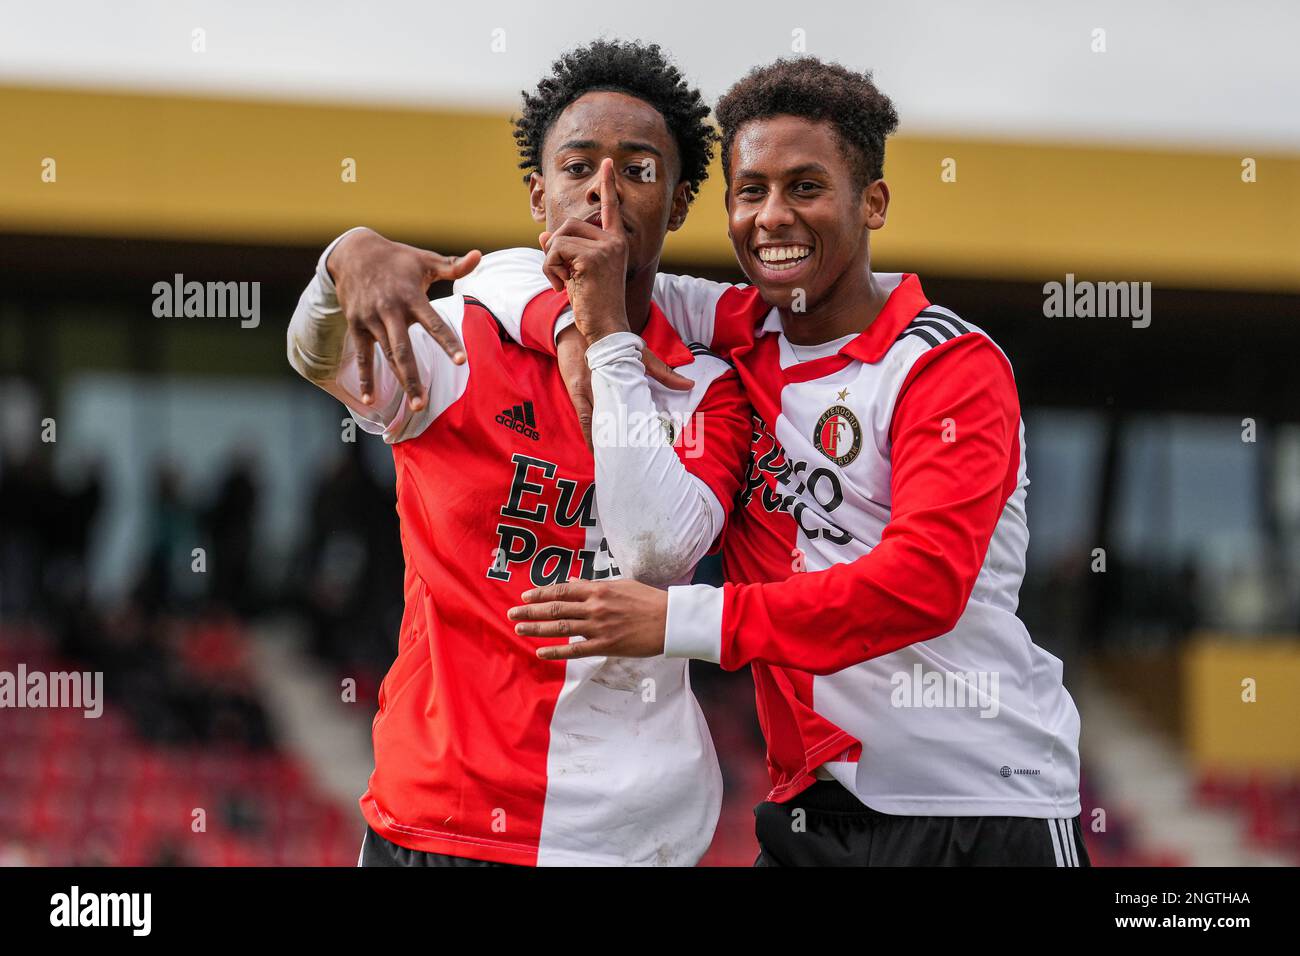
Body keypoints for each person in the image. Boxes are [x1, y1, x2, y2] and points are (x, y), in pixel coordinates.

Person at [464, 57, 1088, 866]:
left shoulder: (945, 364)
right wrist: (366, 257)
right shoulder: (736, 328)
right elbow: (552, 264)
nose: (772, 217)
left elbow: (923, 583)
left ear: (873, 202)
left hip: (979, 807)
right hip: (810, 812)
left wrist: (681, 622)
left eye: (806, 187)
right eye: (750, 191)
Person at [287, 40, 751, 866]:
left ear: (680, 203)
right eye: (577, 167)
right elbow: (315, 357)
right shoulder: (458, 343)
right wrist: (341, 261)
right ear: (540, 194)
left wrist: (603, 335)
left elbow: (655, 551)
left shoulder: (707, 386)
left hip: (624, 840)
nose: (603, 190)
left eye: (638, 170)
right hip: (438, 815)